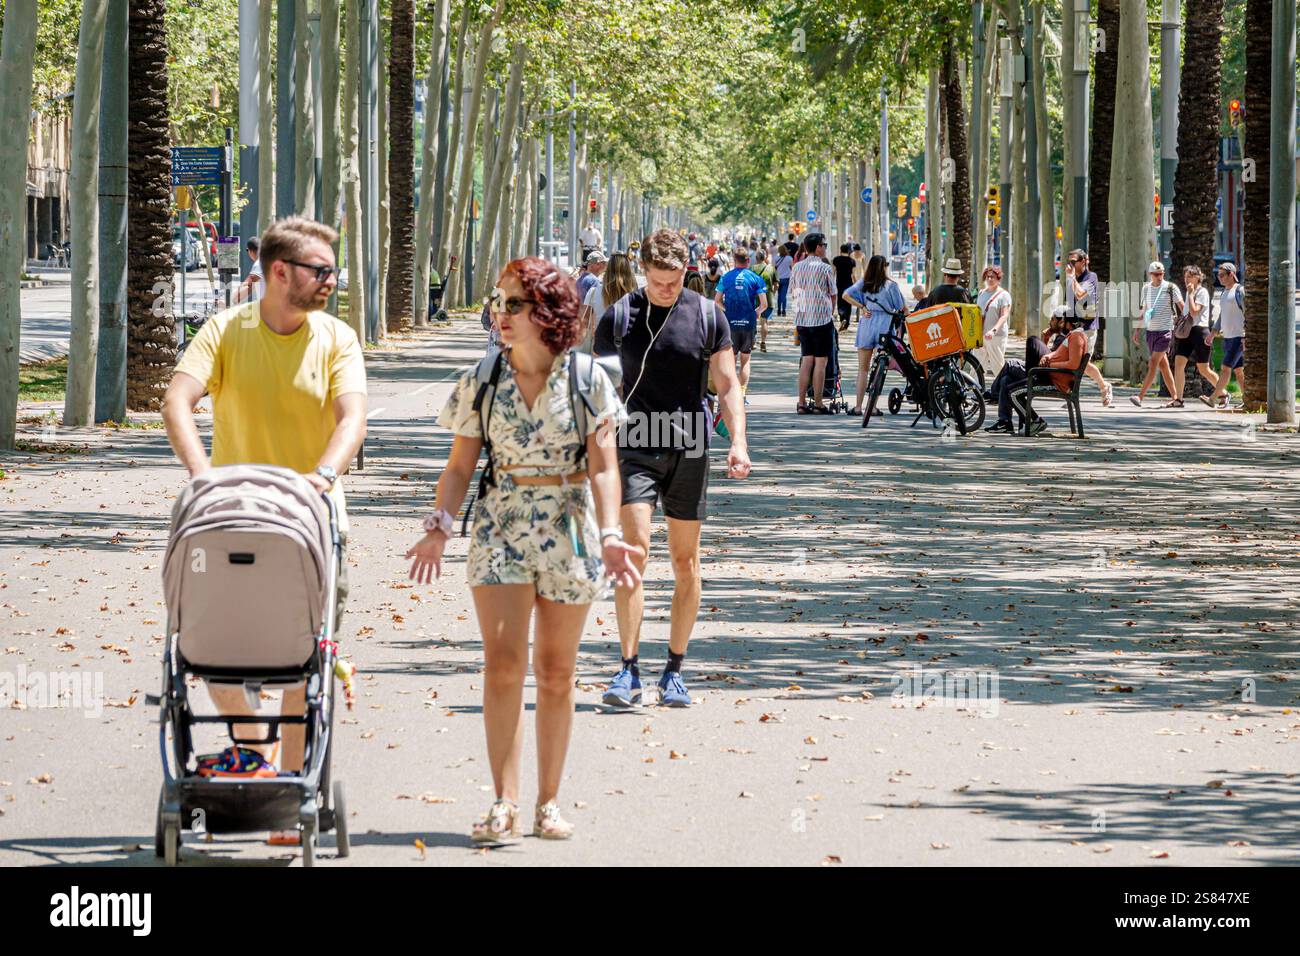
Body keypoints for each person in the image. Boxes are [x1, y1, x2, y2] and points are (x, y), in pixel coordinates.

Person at [408, 257, 639, 843]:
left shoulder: (587, 380)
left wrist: (612, 535)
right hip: (500, 527)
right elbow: (460, 467)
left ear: (547, 312)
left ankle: (549, 802)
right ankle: (503, 802)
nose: (501, 314)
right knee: (503, 666)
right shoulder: (483, 377)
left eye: (514, 304)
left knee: (557, 672)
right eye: (499, 303)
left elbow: (605, 468)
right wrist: (440, 522)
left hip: (571, 528)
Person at [162, 216, 367, 841]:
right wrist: (202, 477)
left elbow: (351, 417)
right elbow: (178, 400)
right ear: (281, 273)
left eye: (332, 270)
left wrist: (324, 476)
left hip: (311, 521)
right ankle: (257, 762)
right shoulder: (227, 330)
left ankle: (284, 784)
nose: (331, 280)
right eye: (320, 270)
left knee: (304, 656)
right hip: (232, 519)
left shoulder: (336, 338)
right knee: (210, 643)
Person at [593, 229, 751, 709]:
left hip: (689, 448)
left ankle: (675, 670)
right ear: (643, 271)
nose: (667, 288)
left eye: (675, 279)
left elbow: (726, 386)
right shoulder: (618, 318)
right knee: (634, 553)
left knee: (686, 562)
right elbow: (599, 394)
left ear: (687, 270)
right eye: (659, 281)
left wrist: (738, 441)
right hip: (634, 446)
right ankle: (628, 669)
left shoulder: (708, 316)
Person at [985, 307, 1087, 434]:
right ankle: (1005, 422)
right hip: (1051, 375)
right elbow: (1051, 355)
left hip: (1056, 381)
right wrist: (1048, 354)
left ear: (1068, 323)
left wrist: (1050, 364)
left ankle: (1035, 420)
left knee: (1013, 388)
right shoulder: (1072, 336)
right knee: (1007, 381)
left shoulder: (1076, 337)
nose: (1062, 324)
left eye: (1064, 321)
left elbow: (1073, 364)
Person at [843, 254, 905, 415]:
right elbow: (899, 306)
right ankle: (873, 406)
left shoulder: (864, 283)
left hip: (867, 324)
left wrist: (862, 307)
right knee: (880, 368)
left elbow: (845, 295)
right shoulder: (891, 285)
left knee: (863, 369)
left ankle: (858, 407)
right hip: (885, 326)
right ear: (884, 267)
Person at [789, 232, 838, 413]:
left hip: (803, 320)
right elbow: (833, 294)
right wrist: (830, 312)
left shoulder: (797, 268)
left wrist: (801, 312)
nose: (825, 247)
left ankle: (801, 403)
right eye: (824, 244)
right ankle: (818, 403)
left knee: (806, 360)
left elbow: (794, 293)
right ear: (817, 247)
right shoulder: (825, 268)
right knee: (820, 362)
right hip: (821, 320)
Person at [715, 246, 769, 393]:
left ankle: (731, 392)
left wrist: (728, 310)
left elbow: (717, 301)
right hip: (748, 323)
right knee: (745, 360)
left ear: (734, 260)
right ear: (748, 260)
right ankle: (742, 392)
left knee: (731, 360)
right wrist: (755, 313)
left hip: (730, 323)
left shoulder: (725, 278)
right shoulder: (756, 278)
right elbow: (764, 304)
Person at [1129, 261, 1183, 407]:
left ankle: (1140, 397)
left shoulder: (1171, 288)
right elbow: (1144, 310)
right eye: (1156, 274)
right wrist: (1137, 329)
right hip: (1151, 331)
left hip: (1165, 331)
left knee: (1153, 363)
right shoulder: (1146, 289)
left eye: (1161, 274)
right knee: (1163, 366)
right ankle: (1176, 398)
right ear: (1150, 275)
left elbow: (1182, 307)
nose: (1159, 277)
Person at [1063, 249, 1111, 405]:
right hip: (1074, 329)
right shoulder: (1072, 278)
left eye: (1073, 261)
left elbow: (1081, 295)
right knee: (1078, 363)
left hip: (1088, 328)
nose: (1070, 265)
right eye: (1068, 261)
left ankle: (1074, 393)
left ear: (1084, 261)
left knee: (1081, 363)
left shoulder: (1091, 277)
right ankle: (1103, 386)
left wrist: (1071, 278)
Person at [1169, 264, 1216, 408]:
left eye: (1189, 276)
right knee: (1178, 363)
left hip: (1200, 331)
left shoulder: (1202, 292)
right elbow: (1187, 313)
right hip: (1187, 332)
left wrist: (1190, 294)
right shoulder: (1190, 291)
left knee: (1203, 368)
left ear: (1197, 277)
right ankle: (1179, 399)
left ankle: (1223, 392)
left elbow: (1195, 312)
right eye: (1185, 276)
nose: (1186, 279)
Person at [1202, 262, 1245, 408]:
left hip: (1239, 337)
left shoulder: (1240, 291)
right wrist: (1213, 334)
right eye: (1217, 275)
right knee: (1239, 371)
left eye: (1222, 275)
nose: (1219, 278)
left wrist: (1247, 337)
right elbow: (1222, 316)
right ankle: (1247, 401)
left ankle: (1214, 398)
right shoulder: (1224, 292)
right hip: (1228, 337)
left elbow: (1249, 314)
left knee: (1225, 368)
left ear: (1231, 274)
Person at [578, 251, 636, 353]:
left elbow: (585, 322)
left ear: (608, 270)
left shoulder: (594, 292)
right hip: (628, 348)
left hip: (601, 346)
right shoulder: (635, 295)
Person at [975, 264, 1011, 379]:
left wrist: (993, 330)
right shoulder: (981, 293)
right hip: (981, 335)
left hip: (996, 336)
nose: (990, 279)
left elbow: (1004, 315)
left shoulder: (1003, 295)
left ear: (998, 279)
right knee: (977, 365)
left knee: (998, 365)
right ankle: (977, 390)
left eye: (993, 277)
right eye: (988, 277)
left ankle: (1002, 390)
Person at [749, 248, 777, 352]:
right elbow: (776, 284)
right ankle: (763, 342)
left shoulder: (751, 268)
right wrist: (772, 293)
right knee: (764, 321)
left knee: (753, 320)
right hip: (768, 298)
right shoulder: (771, 268)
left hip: (754, 299)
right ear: (765, 257)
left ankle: (753, 342)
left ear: (756, 258)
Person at [832, 243, 857, 332]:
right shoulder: (852, 261)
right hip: (849, 285)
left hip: (839, 284)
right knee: (848, 303)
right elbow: (853, 275)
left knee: (840, 301)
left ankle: (842, 318)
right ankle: (846, 322)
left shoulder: (836, 260)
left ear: (840, 250)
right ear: (849, 251)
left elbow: (833, 272)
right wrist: (856, 285)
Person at [234, 237, 264, 304]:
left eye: (247, 250)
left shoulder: (259, 264)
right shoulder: (268, 261)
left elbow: (247, 285)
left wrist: (230, 300)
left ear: (250, 251)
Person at [773, 243, 795, 317]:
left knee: (779, 295)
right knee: (784, 295)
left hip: (778, 279)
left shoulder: (776, 258)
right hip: (786, 278)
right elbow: (793, 269)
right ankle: (784, 311)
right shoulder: (789, 258)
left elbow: (773, 269)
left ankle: (779, 310)